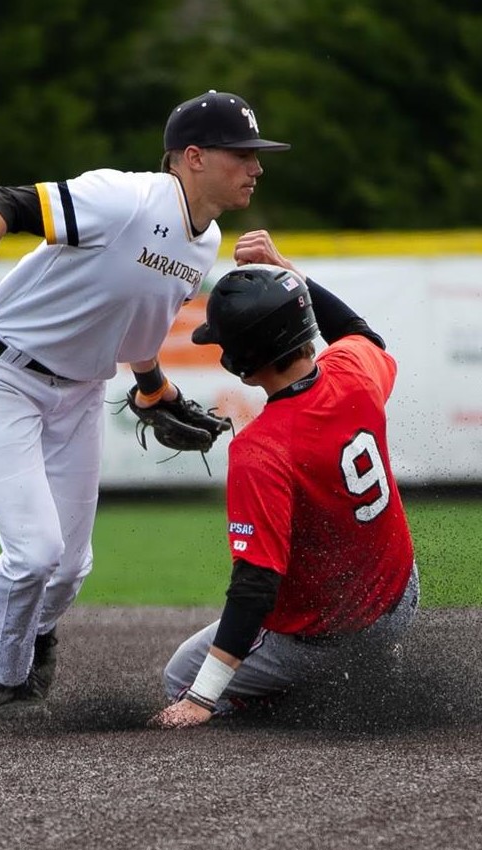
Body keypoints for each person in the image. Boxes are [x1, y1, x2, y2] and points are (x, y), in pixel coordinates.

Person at [0, 91, 290, 718]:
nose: (255, 167)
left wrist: (153, 387)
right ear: (192, 157)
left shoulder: (204, 240)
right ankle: (13, 681)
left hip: (77, 388)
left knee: (71, 567)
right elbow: (0, 201)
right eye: (242, 154)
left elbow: (133, 326)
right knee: (35, 554)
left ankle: (34, 634)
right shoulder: (123, 199)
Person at [150, 231, 419, 730]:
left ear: (240, 365)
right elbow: (362, 334)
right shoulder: (354, 372)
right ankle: (370, 663)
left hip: (329, 636)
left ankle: (332, 694)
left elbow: (256, 583)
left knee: (182, 675)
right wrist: (292, 273)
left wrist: (201, 699)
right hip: (400, 599)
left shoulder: (261, 449)